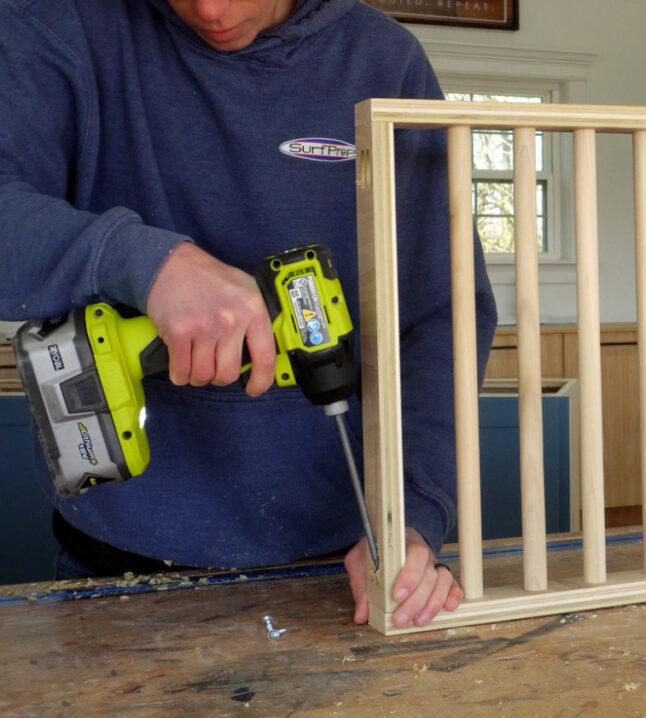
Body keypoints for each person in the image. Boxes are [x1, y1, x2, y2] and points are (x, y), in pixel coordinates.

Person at [0, 0, 496, 629]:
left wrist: (415, 515)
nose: (211, 10)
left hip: (345, 566)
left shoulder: (385, 62)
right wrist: (145, 261)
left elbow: (440, 313)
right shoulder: (57, 23)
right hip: (117, 566)